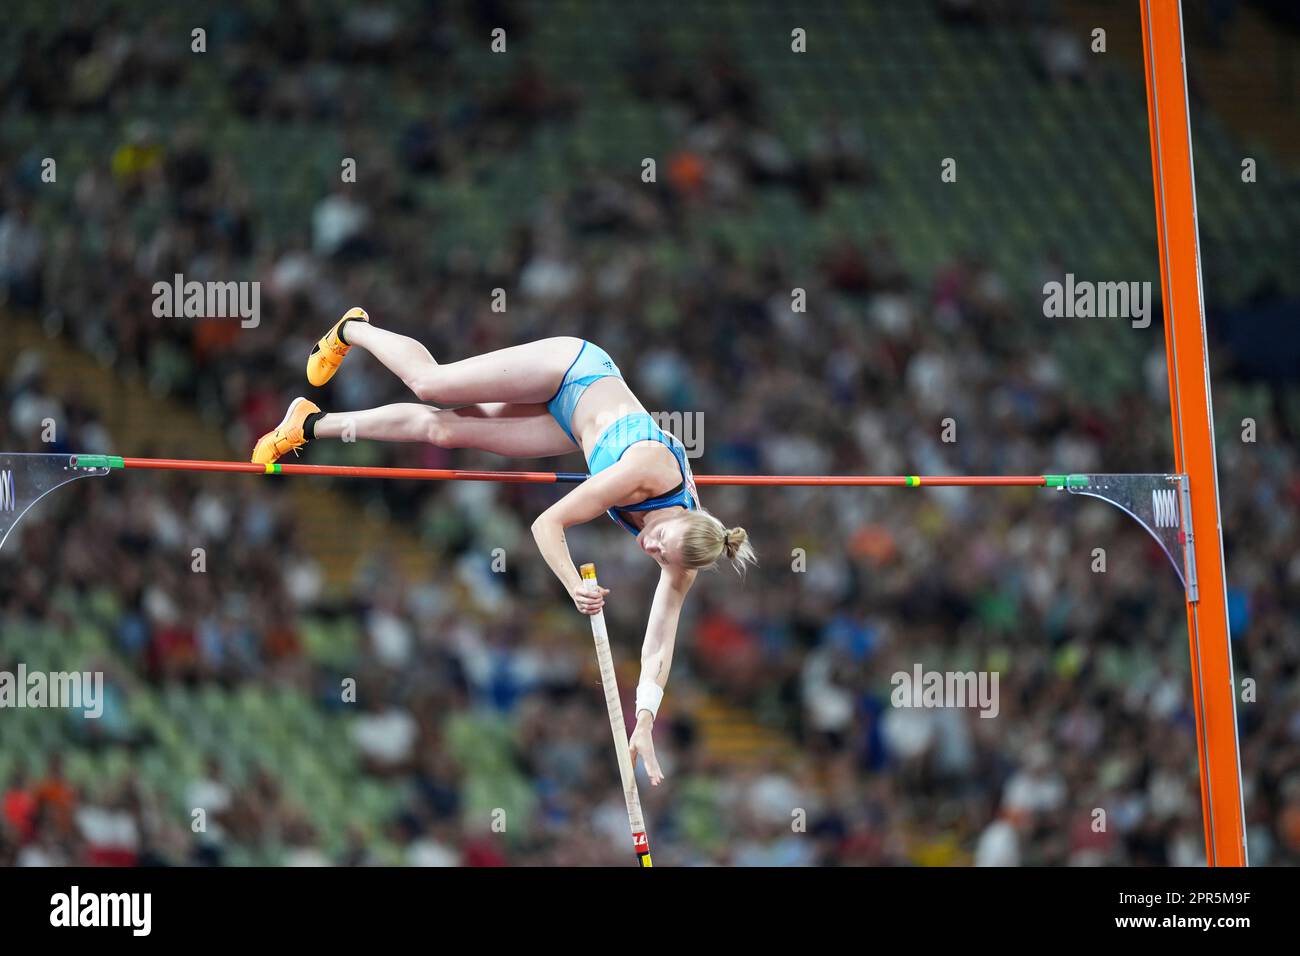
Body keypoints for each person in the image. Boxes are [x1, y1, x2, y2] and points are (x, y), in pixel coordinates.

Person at [252, 308, 757, 784]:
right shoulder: (644, 470)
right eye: (660, 540)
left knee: (445, 430)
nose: (650, 548)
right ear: (682, 516)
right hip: (572, 372)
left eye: (660, 558)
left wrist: (645, 716)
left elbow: (660, 641)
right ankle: (352, 329)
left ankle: (308, 424)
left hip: (571, 426)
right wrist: (571, 586)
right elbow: (547, 524)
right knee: (435, 385)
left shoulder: (686, 554)